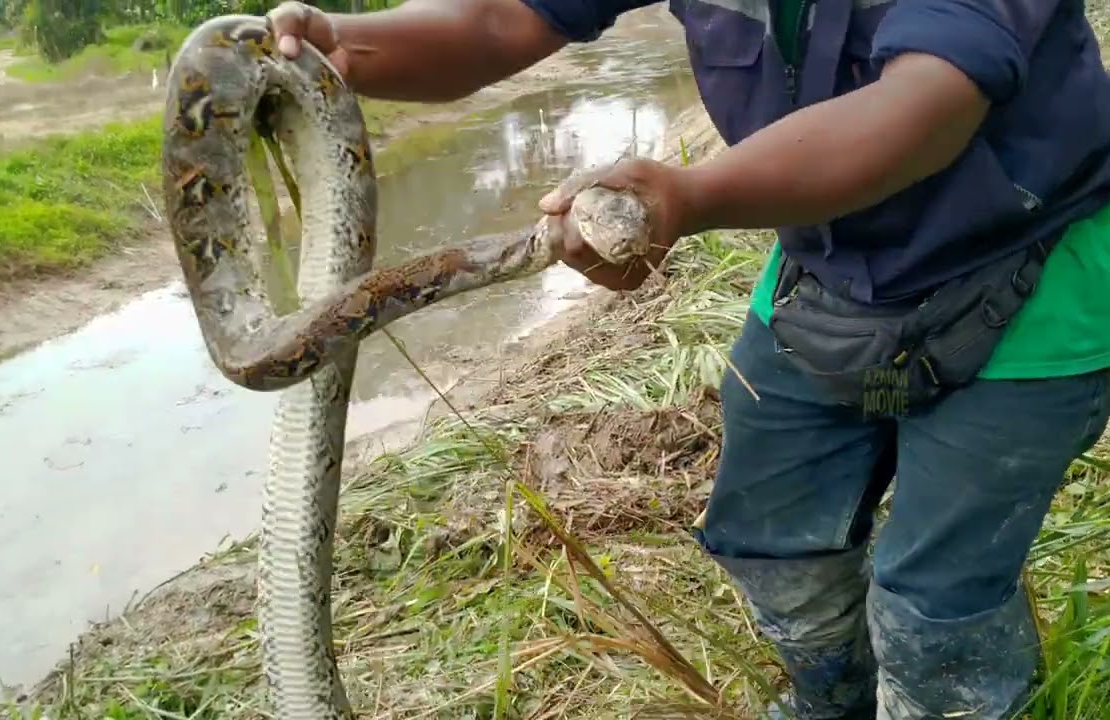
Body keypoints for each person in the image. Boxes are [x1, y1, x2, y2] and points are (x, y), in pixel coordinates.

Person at [266, 0, 1110, 716]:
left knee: (938, 600)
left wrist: (690, 197)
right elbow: (501, 20)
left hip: (1029, 266)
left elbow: (928, 105)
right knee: (769, 537)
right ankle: (832, 698)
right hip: (827, 267)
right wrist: (344, 48)